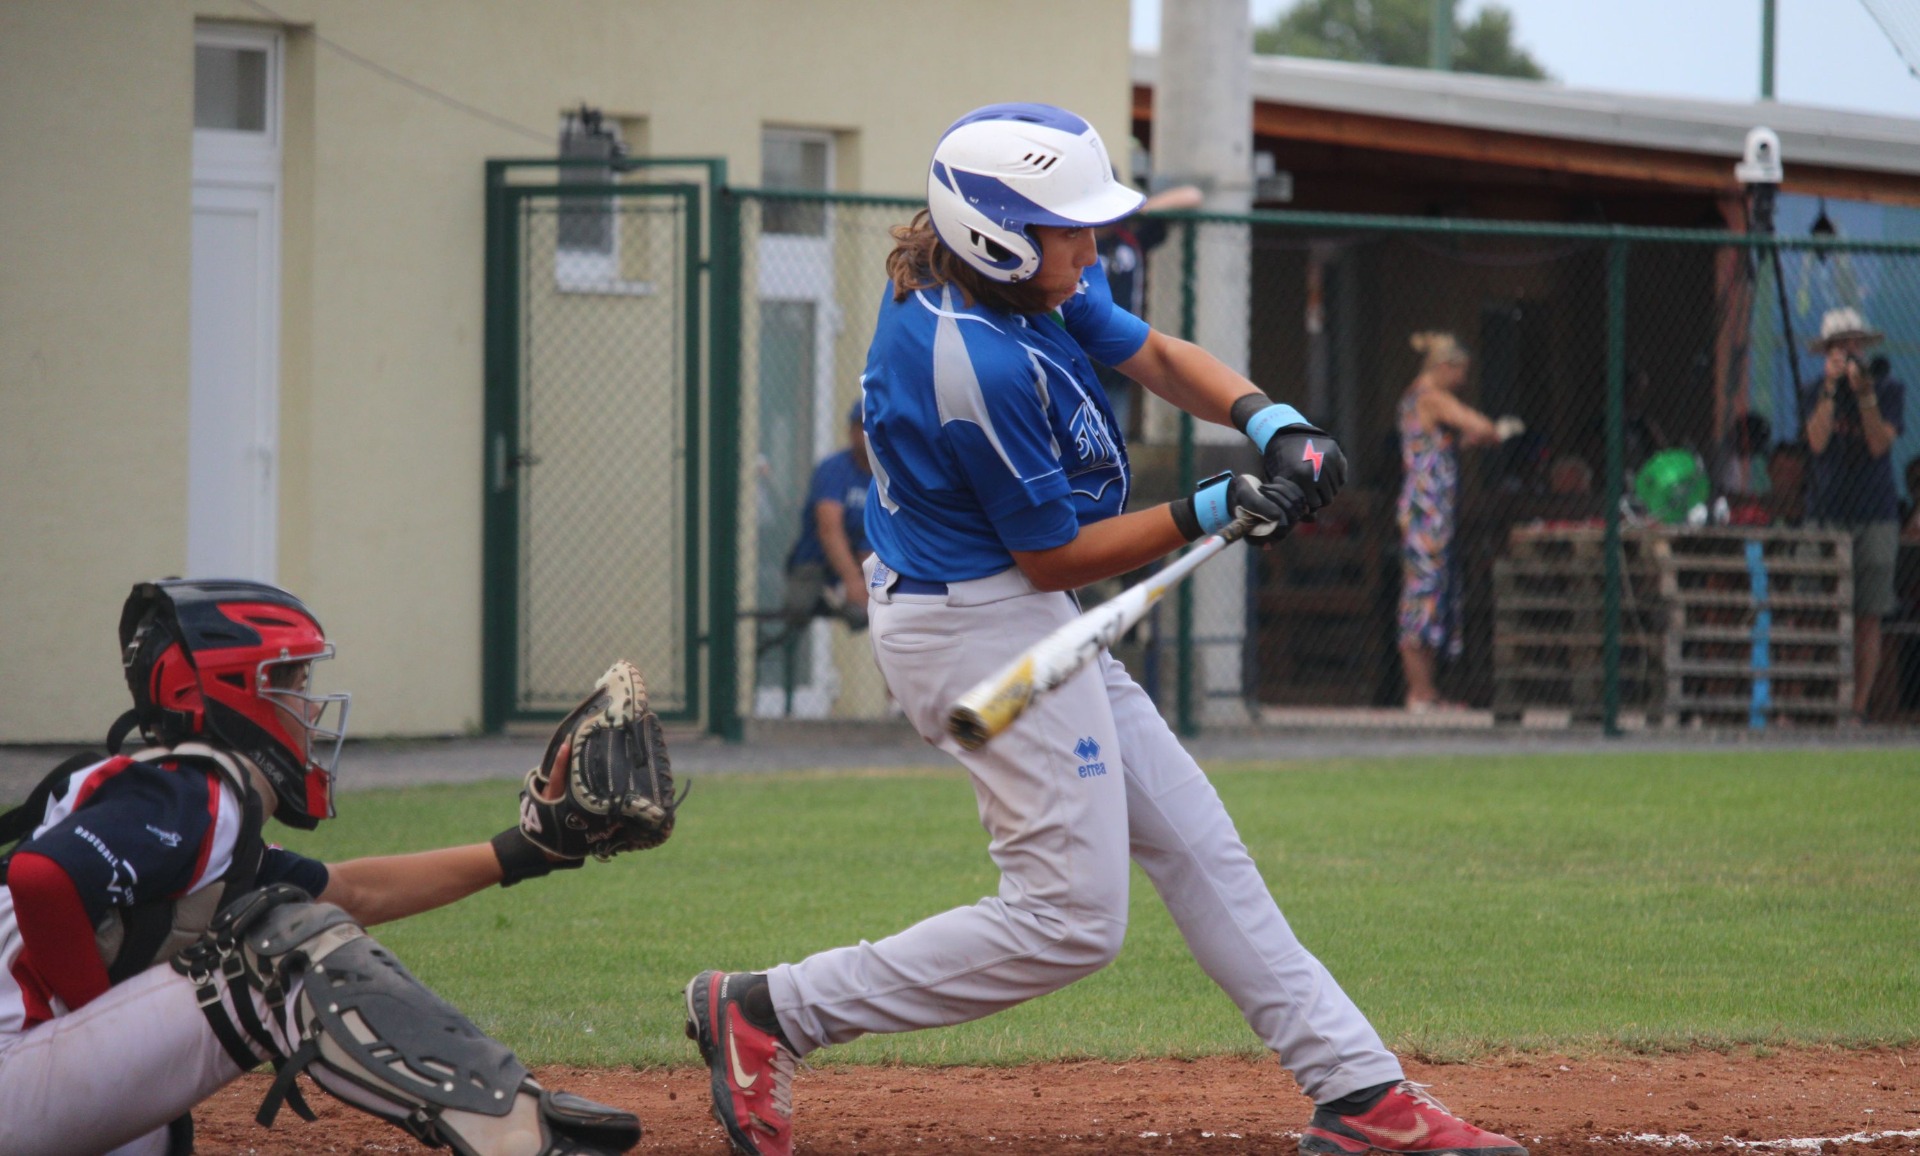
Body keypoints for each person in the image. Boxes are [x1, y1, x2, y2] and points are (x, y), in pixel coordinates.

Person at [683, 103, 1526, 1156]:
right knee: (1073, 921)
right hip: (976, 628)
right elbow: (1052, 554)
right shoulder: (967, 361)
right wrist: (1208, 509)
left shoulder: (1028, 279)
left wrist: (1274, 421)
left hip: (1010, 607)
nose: (1092, 249)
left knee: (1198, 844)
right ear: (996, 234)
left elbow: (1157, 356)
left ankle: (1360, 1092)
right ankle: (772, 1011)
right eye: (1071, 229)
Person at [0, 579, 642, 1156]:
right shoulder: (197, 791)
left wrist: (529, 850)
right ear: (219, 690)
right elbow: (40, 877)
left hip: (27, 1080)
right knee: (284, 947)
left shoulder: (179, 805)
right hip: (15, 1077)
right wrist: (97, 1016)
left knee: (283, 935)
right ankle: (518, 1135)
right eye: (293, 682)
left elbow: (353, 892)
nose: (309, 706)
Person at [1395, 331, 1524, 712]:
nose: (1464, 381)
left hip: (1435, 511)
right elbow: (1481, 426)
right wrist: (1492, 432)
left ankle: (1428, 691)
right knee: (1423, 592)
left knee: (1436, 593)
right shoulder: (1430, 396)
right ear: (1445, 367)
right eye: (1461, 372)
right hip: (1425, 512)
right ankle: (1418, 693)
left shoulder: (1419, 399)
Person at [1800, 306, 1907, 722]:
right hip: (1826, 509)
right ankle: (1805, 701)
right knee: (1811, 608)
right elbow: (1815, 442)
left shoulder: (1889, 388)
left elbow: (1880, 444)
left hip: (1874, 512)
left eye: (1854, 344)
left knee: (1869, 613)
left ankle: (1857, 707)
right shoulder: (1814, 389)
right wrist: (1830, 388)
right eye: (1840, 346)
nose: (1849, 351)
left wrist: (1864, 394)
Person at [1093, 182, 1203, 438]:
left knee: (1111, 439)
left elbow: (1191, 195)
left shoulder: (1130, 237)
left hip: (1118, 356)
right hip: (1077, 354)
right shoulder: (1075, 239)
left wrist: (1132, 211)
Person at [781, 400, 875, 633]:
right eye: (859, 426)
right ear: (850, 431)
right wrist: (852, 581)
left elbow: (876, 539)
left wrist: (870, 584)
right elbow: (829, 529)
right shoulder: (834, 468)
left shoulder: (885, 476)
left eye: (871, 426)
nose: (865, 433)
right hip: (817, 567)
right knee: (797, 611)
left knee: (877, 613)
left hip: (859, 565)